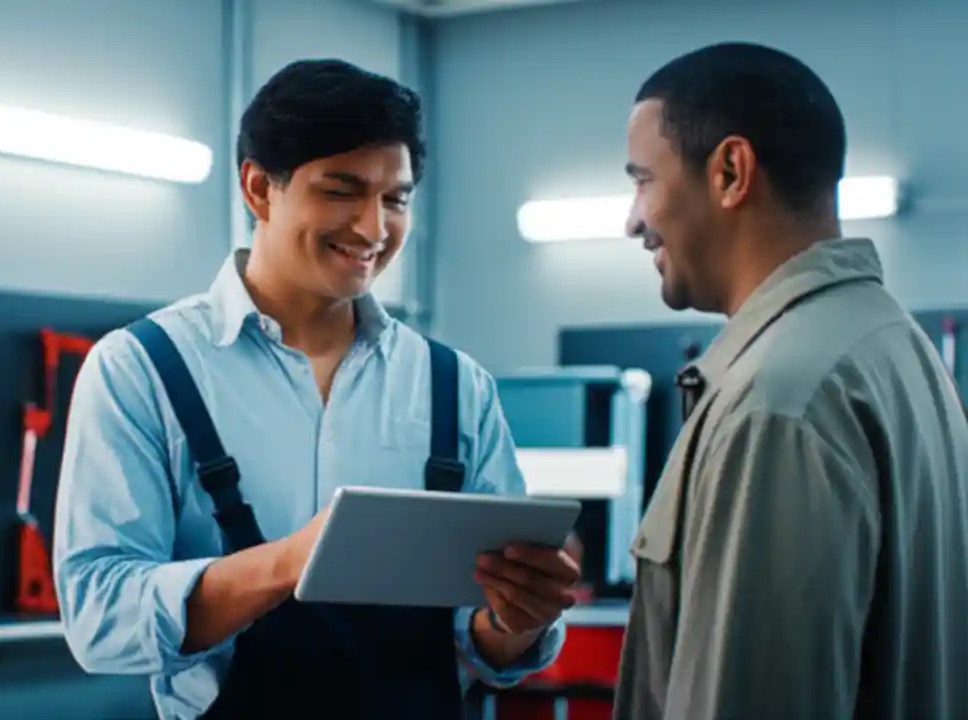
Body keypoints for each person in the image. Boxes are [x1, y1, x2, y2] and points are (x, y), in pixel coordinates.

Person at [53, 58, 581, 720]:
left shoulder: (455, 387)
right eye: (341, 191)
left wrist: (520, 615)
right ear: (257, 187)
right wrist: (289, 563)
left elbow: (486, 645)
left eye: (395, 198)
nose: (373, 229)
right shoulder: (141, 370)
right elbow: (99, 617)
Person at [616, 41, 968, 720]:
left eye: (642, 180)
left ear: (730, 171)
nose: (632, 219)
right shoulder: (896, 351)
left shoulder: (777, 404)